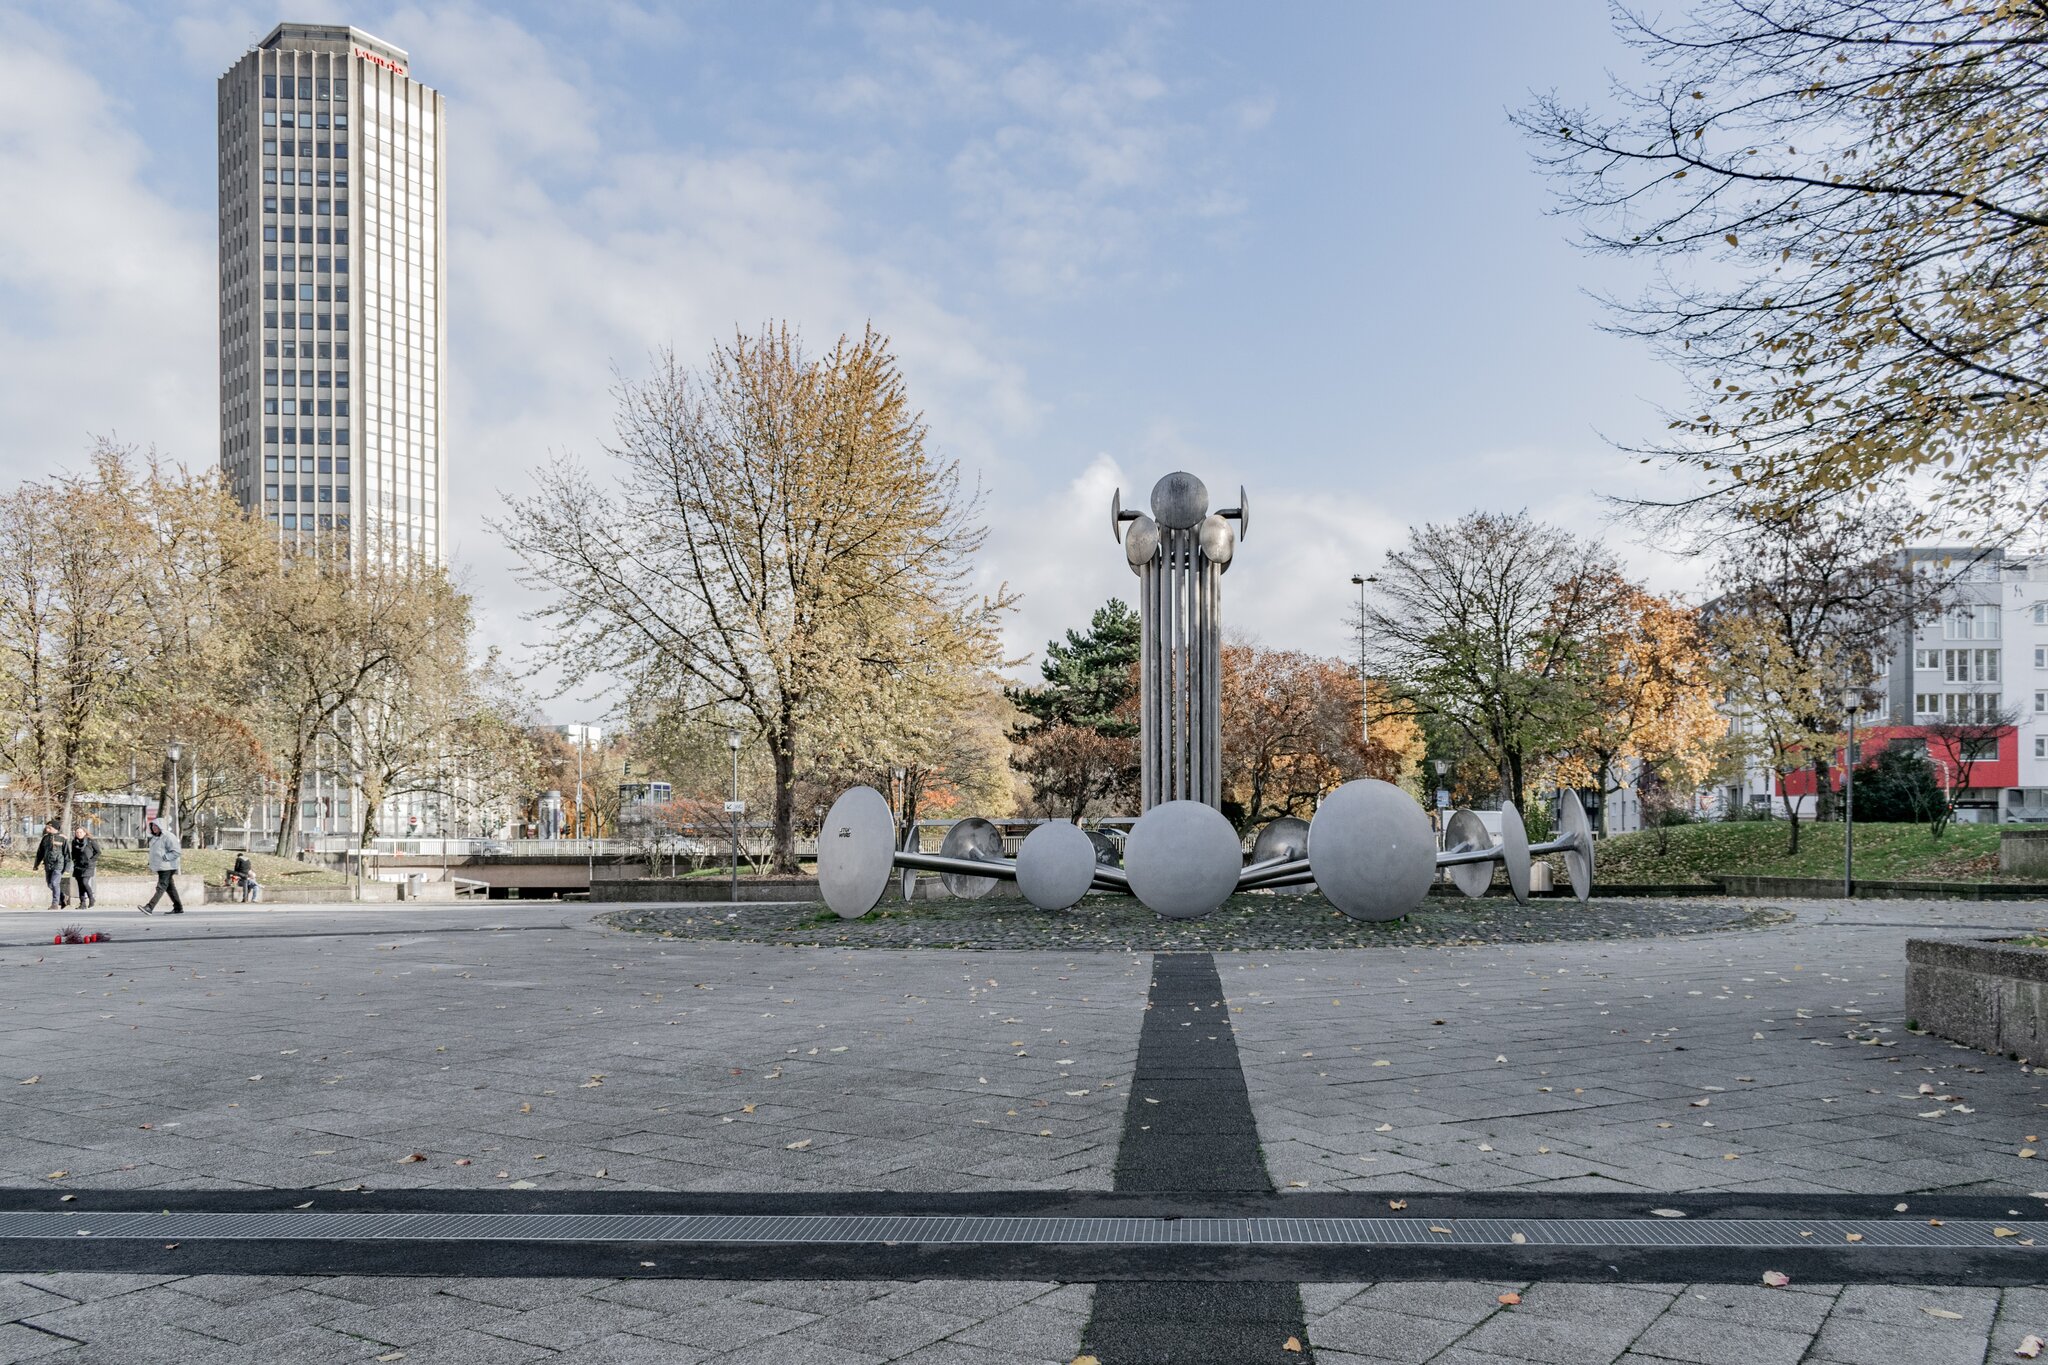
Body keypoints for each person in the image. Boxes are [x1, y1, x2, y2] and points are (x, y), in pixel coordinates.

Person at [138, 817, 183, 915]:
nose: (154, 828)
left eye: (156, 826)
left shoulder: (168, 836)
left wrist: (165, 858)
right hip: (161, 866)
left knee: (161, 886)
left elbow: (177, 851)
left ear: (161, 826)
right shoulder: (155, 837)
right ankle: (178, 907)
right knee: (170, 887)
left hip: (168, 866)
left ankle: (150, 907)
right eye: (152, 826)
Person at [31, 819, 68, 909]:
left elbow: (67, 853)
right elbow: (40, 852)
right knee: (50, 884)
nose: (47, 829)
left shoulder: (62, 838)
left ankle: (55, 904)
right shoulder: (45, 838)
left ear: (55, 828)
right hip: (48, 863)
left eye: (49, 827)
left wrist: (67, 868)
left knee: (55, 883)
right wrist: (36, 864)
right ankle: (63, 897)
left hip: (58, 864)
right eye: (47, 827)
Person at [70, 825, 99, 908]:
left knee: (84, 882)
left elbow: (98, 852)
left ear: (85, 833)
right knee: (80, 884)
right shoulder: (74, 842)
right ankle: (82, 903)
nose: (79, 834)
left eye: (80, 832)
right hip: (78, 865)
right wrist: (74, 860)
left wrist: (91, 860)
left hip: (88, 865)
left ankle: (91, 898)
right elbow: (73, 853)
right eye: (77, 832)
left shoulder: (90, 841)